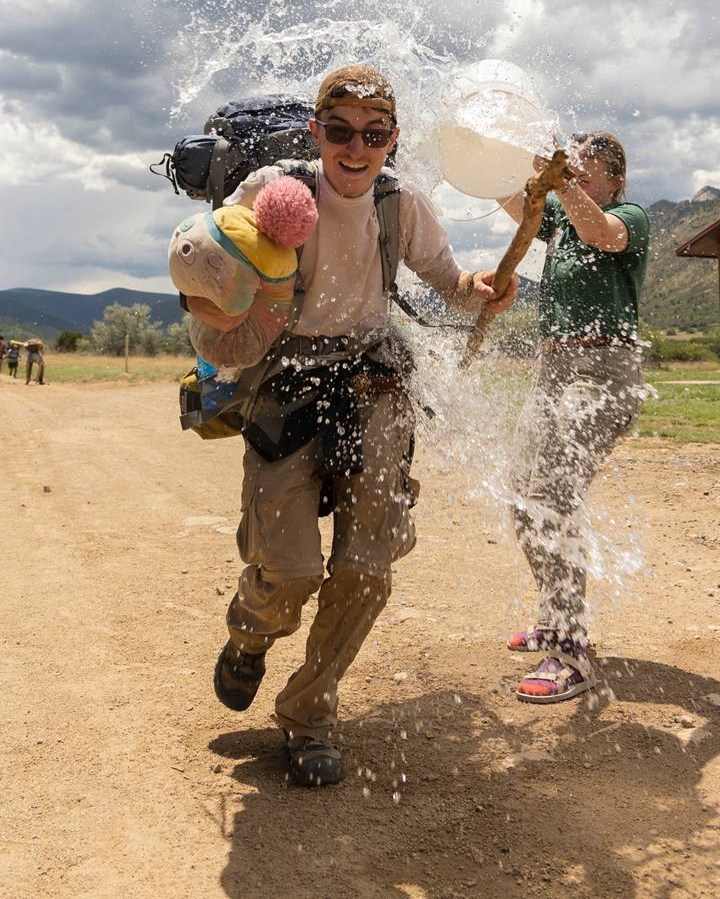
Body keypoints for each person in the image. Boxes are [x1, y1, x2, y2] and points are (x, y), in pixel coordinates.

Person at [188, 64, 518, 785]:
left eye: (373, 134)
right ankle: (250, 632)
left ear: (391, 139)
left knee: (368, 569)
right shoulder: (273, 192)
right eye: (339, 131)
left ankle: (308, 716)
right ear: (317, 131)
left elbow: (450, 284)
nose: (355, 148)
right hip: (287, 387)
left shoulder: (404, 207)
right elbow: (216, 273)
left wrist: (481, 288)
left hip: (376, 384)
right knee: (291, 568)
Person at [500, 132, 649, 703]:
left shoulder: (627, 216)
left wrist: (563, 183)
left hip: (603, 370)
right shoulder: (558, 216)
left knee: (554, 494)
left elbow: (599, 233)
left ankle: (571, 650)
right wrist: (496, 162)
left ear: (616, 180)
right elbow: (516, 203)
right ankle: (552, 612)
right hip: (552, 367)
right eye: (572, 168)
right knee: (520, 493)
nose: (577, 177)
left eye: (589, 172)